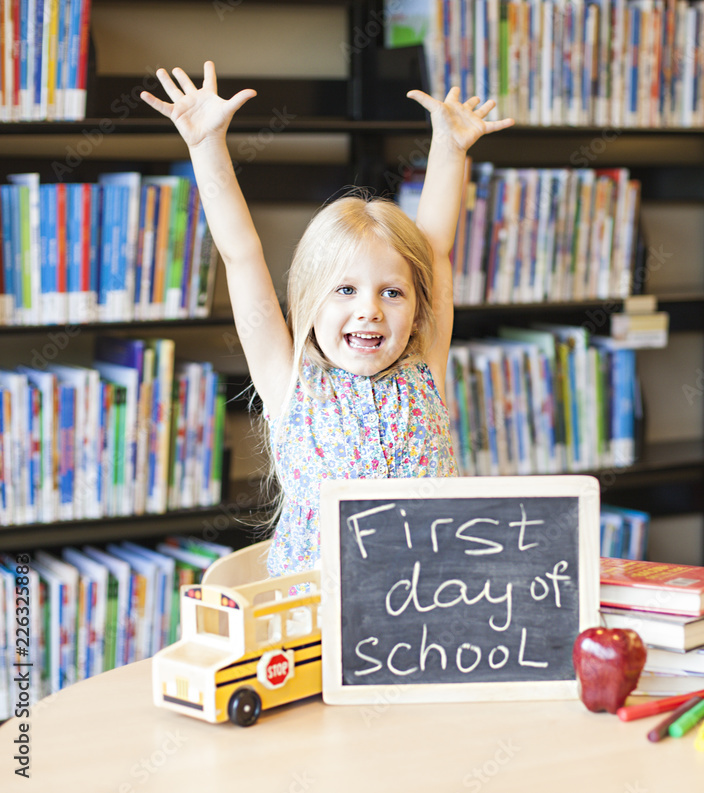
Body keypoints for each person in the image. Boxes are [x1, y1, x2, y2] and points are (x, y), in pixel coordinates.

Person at [141, 62, 514, 576]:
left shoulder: (424, 364)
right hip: (312, 617)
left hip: (429, 603)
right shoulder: (288, 379)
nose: (370, 309)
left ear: (418, 305)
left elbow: (436, 250)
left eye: (392, 292)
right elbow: (241, 254)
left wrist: (450, 148)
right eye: (345, 289)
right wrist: (206, 147)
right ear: (310, 300)